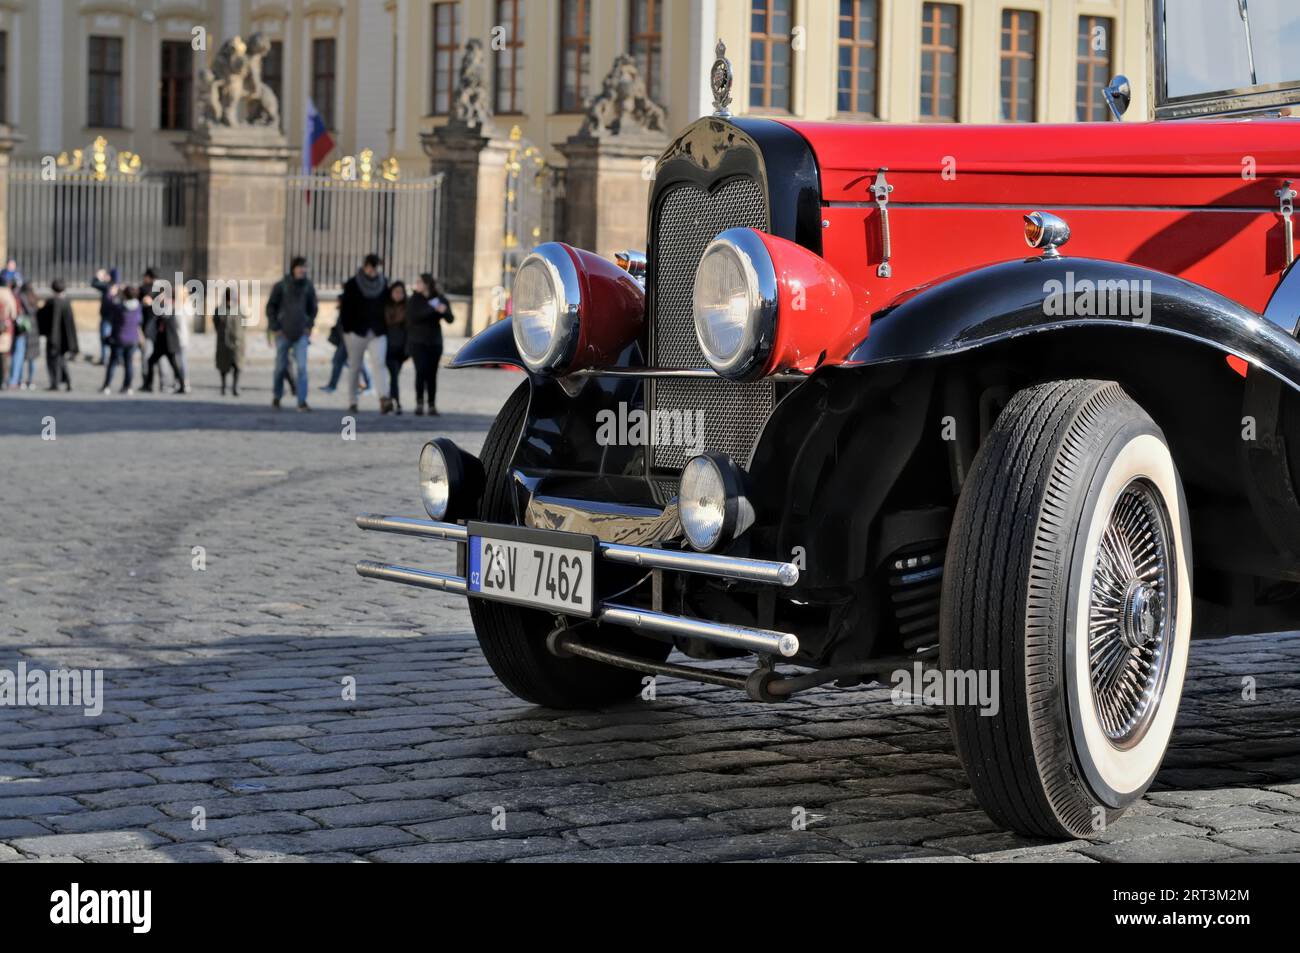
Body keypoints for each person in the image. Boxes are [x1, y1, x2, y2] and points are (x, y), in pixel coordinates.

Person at [266, 256, 318, 411]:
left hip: (301, 333)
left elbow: (313, 308)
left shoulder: (308, 287)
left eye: (304, 267)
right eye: (300, 267)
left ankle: (302, 401)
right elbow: (271, 307)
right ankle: (277, 396)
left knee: (302, 368)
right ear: (293, 268)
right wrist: (275, 327)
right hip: (283, 333)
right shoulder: (281, 286)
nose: (302, 270)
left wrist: (309, 326)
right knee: (280, 368)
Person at [339, 253, 389, 412]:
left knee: (379, 363)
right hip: (356, 332)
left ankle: (384, 398)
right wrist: (348, 329)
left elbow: (387, 305)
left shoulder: (383, 283)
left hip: (378, 331)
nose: (373, 271)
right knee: (355, 367)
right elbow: (345, 308)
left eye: (376, 267)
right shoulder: (353, 284)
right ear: (365, 266)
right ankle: (352, 400)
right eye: (371, 267)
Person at [407, 273, 454, 416]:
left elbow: (450, 319)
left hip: (434, 342)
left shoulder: (440, 298)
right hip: (417, 341)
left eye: (419, 282)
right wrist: (432, 309)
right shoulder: (414, 299)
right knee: (420, 371)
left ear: (427, 284)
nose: (417, 285)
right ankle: (419, 403)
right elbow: (413, 317)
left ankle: (432, 405)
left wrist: (444, 311)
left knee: (432, 374)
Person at [142, 289, 186, 394]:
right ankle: (149, 384)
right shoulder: (163, 308)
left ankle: (183, 385)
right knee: (151, 361)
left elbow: (166, 318)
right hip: (161, 343)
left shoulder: (171, 309)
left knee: (174, 365)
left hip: (169, 343)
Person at [100, 285, 143, 395]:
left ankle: (107, 386)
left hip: (118, 338)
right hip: (133, 339)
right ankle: (127, 386)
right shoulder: (138, 307)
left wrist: (111, 293)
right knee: (129, 363)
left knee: (113, 363)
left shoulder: (119, 307)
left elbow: (108, 305)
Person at [40, 279, 77, 391]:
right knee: (62, 360)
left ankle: (54, 383)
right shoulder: (67, 301)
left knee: (52, 361)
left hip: (53, 337)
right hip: (65, 337)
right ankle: (68, 381)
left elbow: (42, 318)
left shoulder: (51, 302)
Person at [213, 286, 246, 396]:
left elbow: (244, 325)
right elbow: (216, 323)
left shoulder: (240, 309)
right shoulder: (219, 309)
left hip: (238, 342)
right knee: (223, 365)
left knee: (237, 365)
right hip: (223, 342)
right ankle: (223, 386)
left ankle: (235, 386)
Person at [382, 281, 410, 415]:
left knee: (394, 376)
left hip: (401, 348)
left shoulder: (407, 308)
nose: (398, 295)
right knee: (393, 376)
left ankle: (392, 401)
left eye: (401, 292)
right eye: (396, 292)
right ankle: (395, 402)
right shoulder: (385, 307)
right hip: (387, 346)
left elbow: (409, 329)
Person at [6, 281, 40, 389]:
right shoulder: (34, 298)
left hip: (22, 330)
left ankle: (16, 380)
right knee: (31, 358)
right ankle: (30, 380)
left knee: (19, 356)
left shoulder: (21, 297)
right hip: (34, 331)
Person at [91, 267, 120, 365]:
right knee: (116, 339)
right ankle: (117, 358)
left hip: (107, 317)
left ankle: (105, 359)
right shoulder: (118, 287)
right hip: (116, 318)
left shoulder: (107, 286)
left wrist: (98, 276)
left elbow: (94, 284)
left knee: (104, 338)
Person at [0, 283, 15, 388]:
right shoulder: (8, 294)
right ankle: (3, 380)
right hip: (4, 328)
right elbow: (13, 313)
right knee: (4, 356)